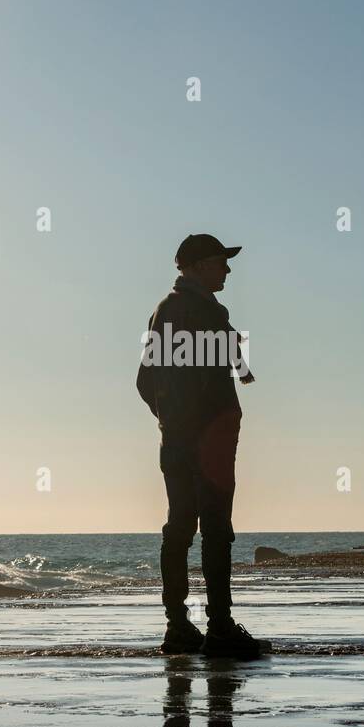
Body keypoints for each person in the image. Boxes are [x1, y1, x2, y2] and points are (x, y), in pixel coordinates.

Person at [136, 234, 270, 659]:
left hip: (176, 440)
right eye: (219, 262)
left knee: (179, 528)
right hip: (205, 442)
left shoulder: (165, 311)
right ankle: (220, 628)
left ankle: (178, 626)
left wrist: (169, 422)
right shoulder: (204, 312)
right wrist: (202, 425)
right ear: (194, 267)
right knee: (214, 530)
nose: (227, 270)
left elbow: (145, 380)